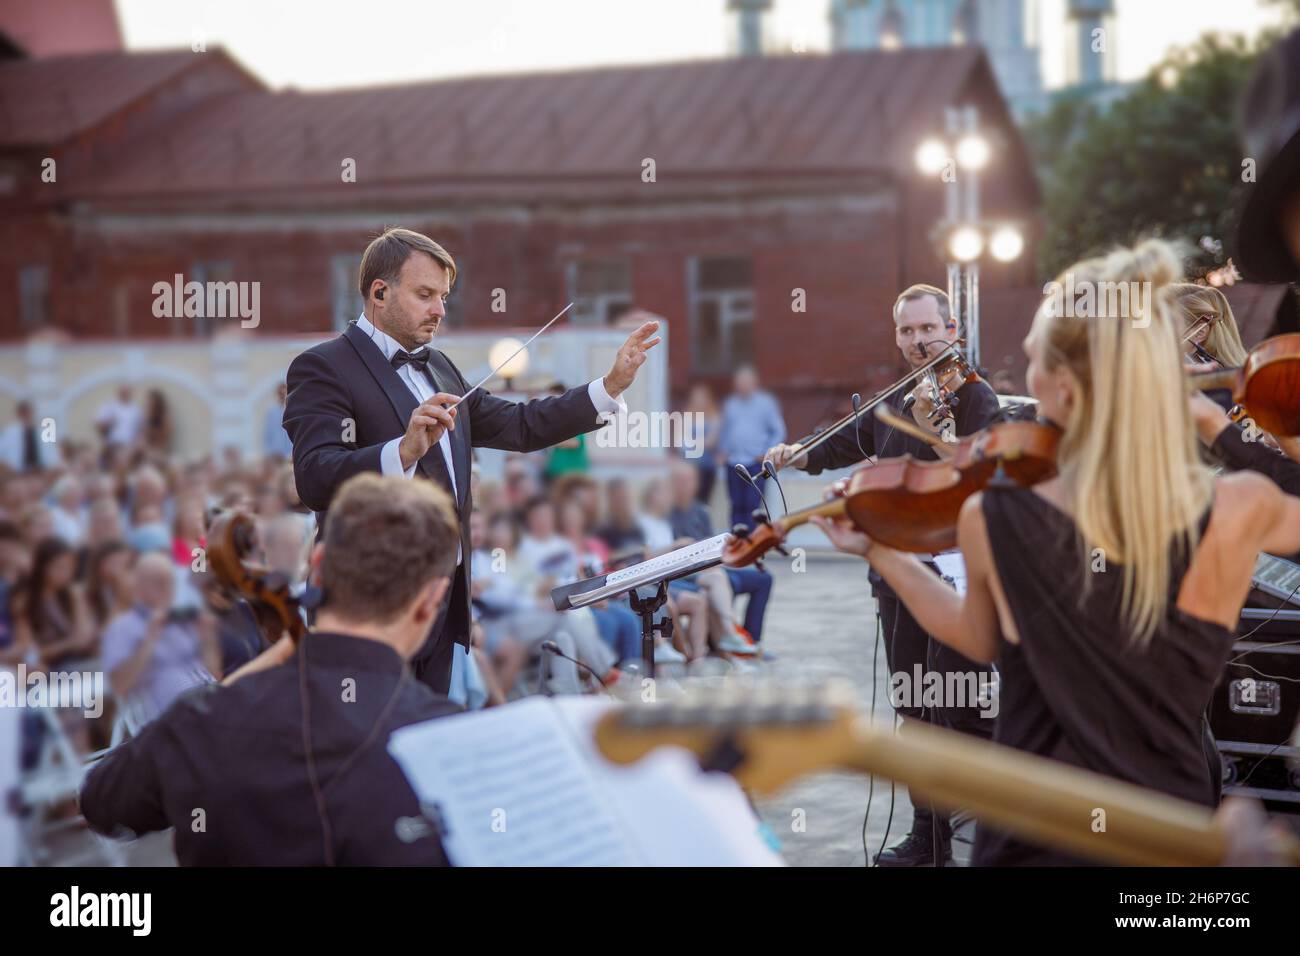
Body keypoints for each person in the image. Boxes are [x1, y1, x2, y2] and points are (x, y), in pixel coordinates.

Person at [812, 239, 1300, 866]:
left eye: (1035, 357)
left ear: (1063, 388)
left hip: (1032, 837)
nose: (1025, 365)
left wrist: (881, 553)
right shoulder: (1236, 508)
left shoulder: (997, 511)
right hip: (1173, 831)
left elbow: (977, 636)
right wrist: (1218, 426)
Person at [283, 227, 660, 695]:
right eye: (425, 295)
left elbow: (521, 426)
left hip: (444, 598)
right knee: (372, 741)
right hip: (372, 602)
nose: (440, 310)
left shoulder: (440, 366)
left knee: (429, 738)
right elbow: (314, 476)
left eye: (443, 297)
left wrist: (609, 387)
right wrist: (399, 452)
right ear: (379, 292)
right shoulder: (323, 367)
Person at [79, 474, 465, 865]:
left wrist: (228, 690)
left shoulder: (204, 721)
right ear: (430, 599)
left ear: (317, 566)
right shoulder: (450, 737)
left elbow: (103, 803)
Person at [767, 283, 1002, 866]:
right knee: (914, 712)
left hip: (954, 579)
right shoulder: (891, 401)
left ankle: (974, 841)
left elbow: (980, 476)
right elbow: (840, 444)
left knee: (959, 714)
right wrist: (796, 453)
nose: (918, 341)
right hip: (897, 576)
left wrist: (935, 429)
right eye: (907, 331)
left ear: (952, 331)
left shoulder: (975, 397)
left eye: (928, 329)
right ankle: (928, 837)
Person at [100, 552, 219, 731]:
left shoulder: (181, 620)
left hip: (210, 704)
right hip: (173, 722)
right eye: (158, 582)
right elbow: (119, 686)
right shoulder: (122, 628)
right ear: (139, 587)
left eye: (170, 581)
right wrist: (150, 639)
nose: (166, 588)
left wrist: (208, 639)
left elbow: (214, 672)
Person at [718, 366, 785, 532]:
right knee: (736, 503)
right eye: (740, 382)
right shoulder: (731, 404)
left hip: (755, 462)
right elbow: (725, 430)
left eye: (746, 382)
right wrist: (723, 451)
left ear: (754, 383)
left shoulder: (766, 403)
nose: (743, 385)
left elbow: (779, 430)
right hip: (733, 462)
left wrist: (766, 452)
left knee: (752, 504)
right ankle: (736, 540)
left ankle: (751, 540)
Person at [0, 401, 58, 473]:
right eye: (24, 412)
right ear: (19, 414)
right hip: (17, 474)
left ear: (33, 413)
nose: (27, 415)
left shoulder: (42, 432)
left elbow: (52, 455)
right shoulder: (9, 433)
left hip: (40, 473)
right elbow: (1, 454)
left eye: (29, 412)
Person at [263, 382, 294, 460]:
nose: (282, 396)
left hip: (290, 454)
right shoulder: (272, 412)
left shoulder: (291, 410)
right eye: (280, 393)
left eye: (284, 393)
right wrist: (270, 452)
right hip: (275, 454)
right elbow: (268, 434)